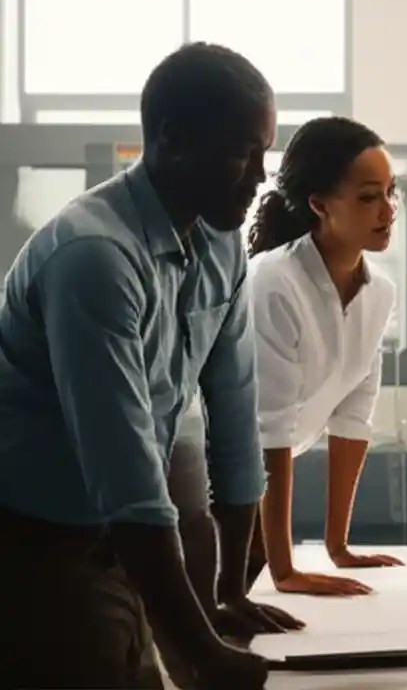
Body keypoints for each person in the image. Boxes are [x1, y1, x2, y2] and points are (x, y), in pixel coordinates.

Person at [0, 42, 297, 689]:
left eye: (266, 152)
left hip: (123, 541)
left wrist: (229, 588)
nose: (260, 176)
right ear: (173, 140)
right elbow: (127, 476)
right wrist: (205, 651)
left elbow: (235, 415)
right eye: (245, 151)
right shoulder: (94, 256)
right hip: (36, 545)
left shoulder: (220, 243)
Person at [242, 116, 403, 597]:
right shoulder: (273, 281)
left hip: (252, 491)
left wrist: (339, 546)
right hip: (204, 483)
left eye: (391, 193)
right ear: (319, 204)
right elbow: (268, 432)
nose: (388, 211)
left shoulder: (380, 294)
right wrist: (286, 571)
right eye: (368, 196)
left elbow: (353, 419)